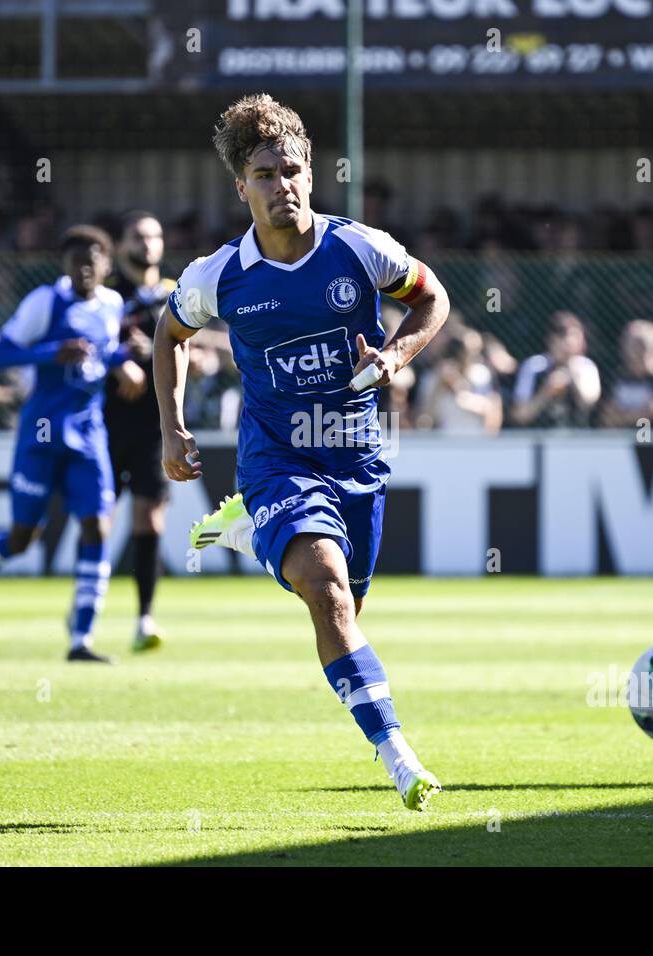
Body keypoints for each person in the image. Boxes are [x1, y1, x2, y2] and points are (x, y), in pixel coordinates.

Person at [154, 94, 450, 811]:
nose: (280, 184)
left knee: (348, 606)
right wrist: (172, 426)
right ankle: (399, 756)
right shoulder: (217, 276)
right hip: (278, 458)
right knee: (328, 592)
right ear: (241, 187)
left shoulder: (360, 249)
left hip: (357, 459)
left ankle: (251, 530)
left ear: (311, 175)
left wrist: (396, 357)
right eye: (264, 173)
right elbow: (169, 336)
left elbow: (431, 298)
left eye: (291, 170)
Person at [0, 226, 133, 663]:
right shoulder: (44, 302)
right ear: (64, 265)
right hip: (42, 434)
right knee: (24, 536)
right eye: (75, 260)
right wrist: (51, 352)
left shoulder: (113, 306)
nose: (84, 268)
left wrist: (126, 362)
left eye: (93, 259)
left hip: (88, 435)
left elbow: (103, 354)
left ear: (106, 264)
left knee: (97, 526)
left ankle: (80, 639)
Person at [102, 211, 175, 652]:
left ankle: (144, 617)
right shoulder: (108, 296)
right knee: (98, 520)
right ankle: (85, 610)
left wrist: (198, 363)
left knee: (150, 518)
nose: (148, 243)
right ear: (121, 245)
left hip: (154, 424)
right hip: (107, 422)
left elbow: (195, 347)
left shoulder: (175, 294)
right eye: (138, 236)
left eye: (155, 235)